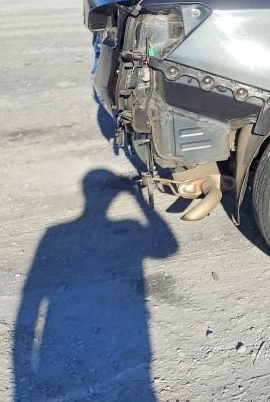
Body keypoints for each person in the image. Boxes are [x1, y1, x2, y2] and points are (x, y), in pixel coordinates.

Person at [13, 169, 178, 401]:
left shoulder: (55, 235)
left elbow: (30, 302)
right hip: (130, 348)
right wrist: (137, 198)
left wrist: (24, 373)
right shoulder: (129, 227)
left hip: (74, 349)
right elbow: (169, 247)